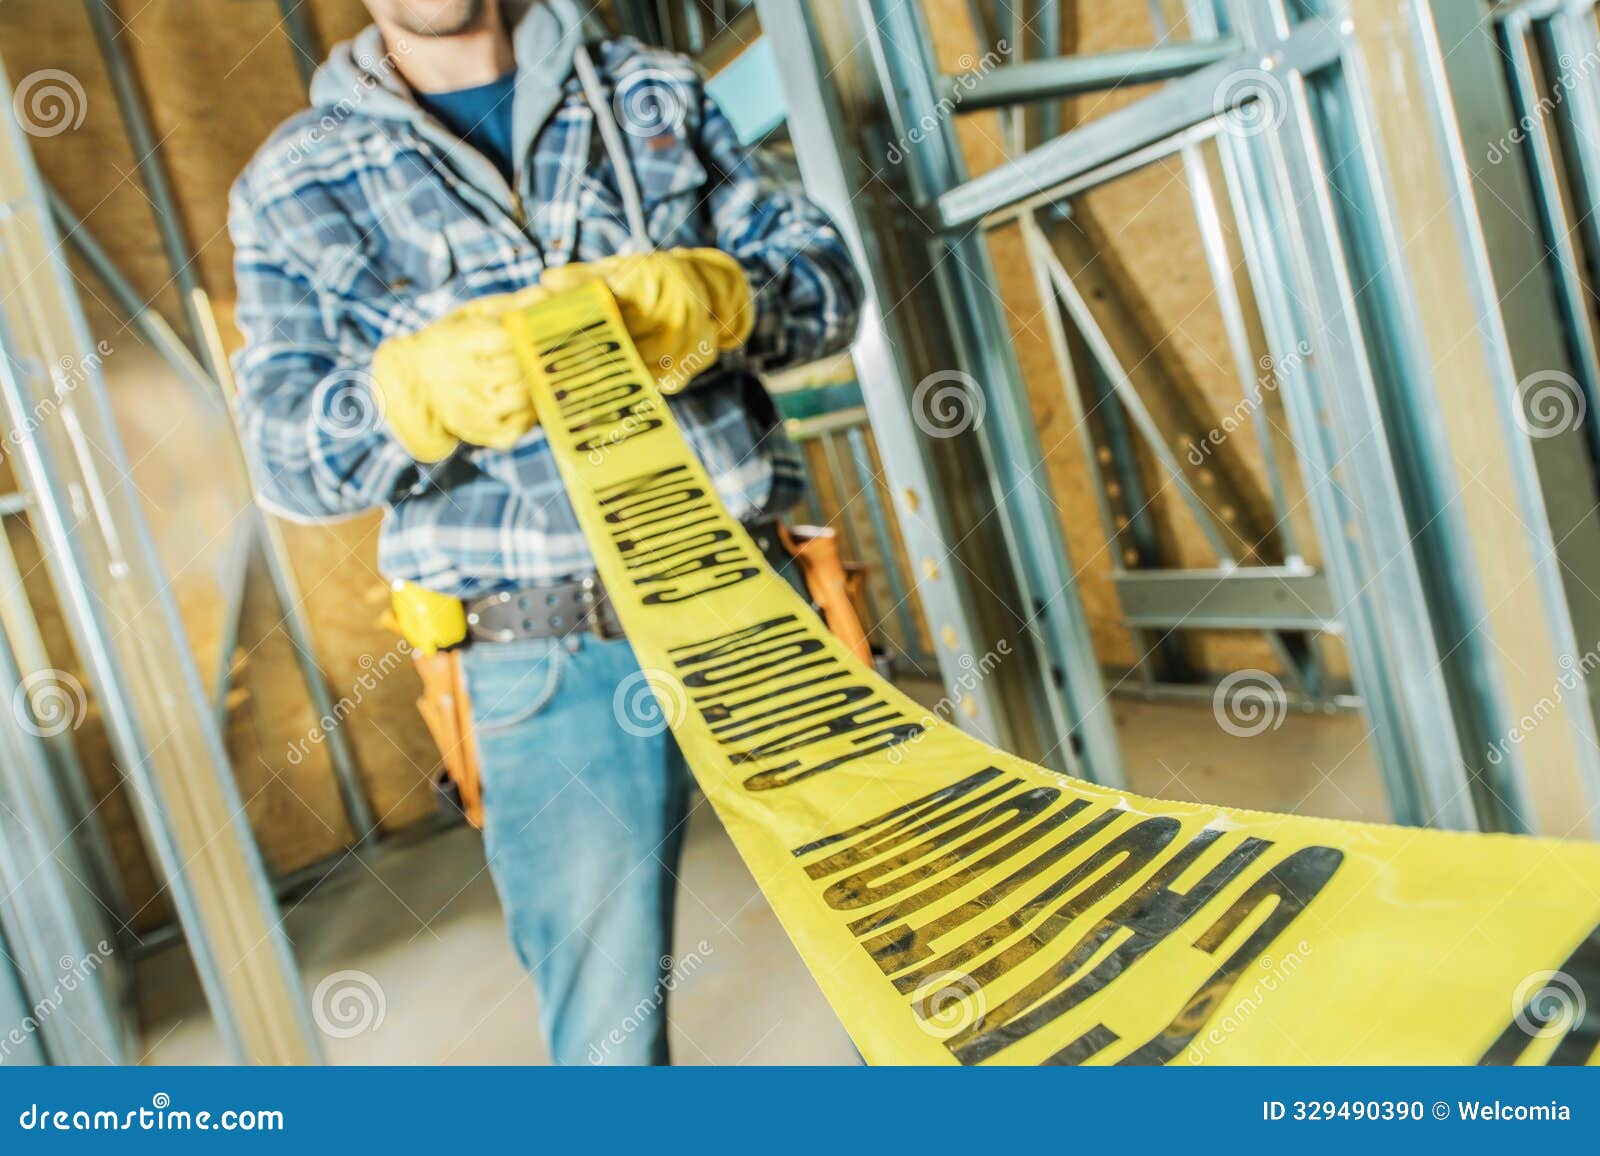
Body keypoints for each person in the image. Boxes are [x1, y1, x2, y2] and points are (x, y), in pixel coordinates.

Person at [228, 0, 862, 1064]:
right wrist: (406, 396)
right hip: (533, 662)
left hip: (749, 604)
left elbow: (831, 286)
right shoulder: (294, 180)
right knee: (606, 1046)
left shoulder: (653, 93)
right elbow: (286, 455)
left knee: (896, 951)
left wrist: (728, 296)